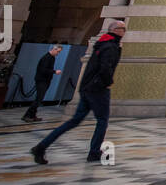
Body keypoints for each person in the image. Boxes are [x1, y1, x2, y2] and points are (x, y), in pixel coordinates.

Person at [31, 21, 124, 164]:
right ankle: (94, 152)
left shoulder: (101, 44)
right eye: (121, 29)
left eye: (124, 29)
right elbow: (105, 68)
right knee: (102, 120)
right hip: (97, 88)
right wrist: (107, 82)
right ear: (114, 30)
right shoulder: (110, 46)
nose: (123, 31)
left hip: (87, 87)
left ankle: (42, 146)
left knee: (74, 121)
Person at [22, 45, 63, 123]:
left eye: (59, 52)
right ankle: (27, 115)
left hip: (45, 80)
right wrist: (54, 72)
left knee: (39, 99)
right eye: (58, 51)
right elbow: (43, 70)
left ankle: (32, 115)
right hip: (41, 80)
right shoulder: (46, 58)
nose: (58, 53)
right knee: (38, 99)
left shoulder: (52, 58)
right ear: (54, 49)